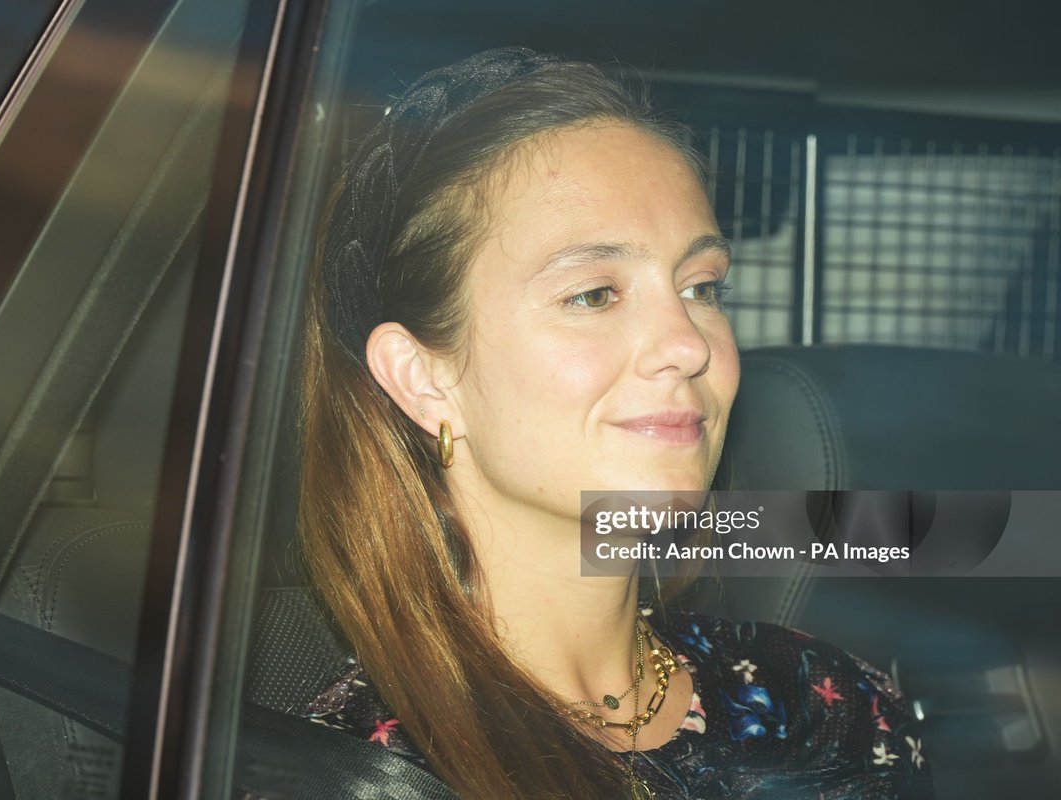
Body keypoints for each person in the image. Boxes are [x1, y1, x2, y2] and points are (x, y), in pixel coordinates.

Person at [296, 47, 933, 799]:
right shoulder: (349, 775)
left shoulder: (835, 709)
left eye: (701, 287)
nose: (689, 345)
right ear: (423, 378)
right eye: (594, 294)